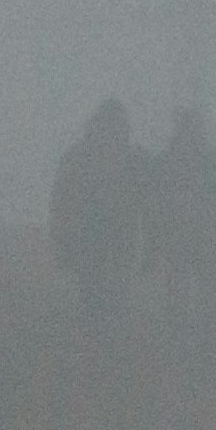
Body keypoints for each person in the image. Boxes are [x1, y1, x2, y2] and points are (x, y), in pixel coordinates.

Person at [49, 97, 142, 331]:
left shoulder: (131, 159)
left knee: (114, 289)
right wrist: (62, 238)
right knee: (94, 289)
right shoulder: (78, 158)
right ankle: (99, 336)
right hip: (88, 232)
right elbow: (62, 200)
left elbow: (144, 198)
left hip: (118, 234)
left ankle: (107, 336)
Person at [142, 104, 216, 329]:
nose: (193, 135)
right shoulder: (168, 163)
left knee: (208, 298)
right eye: (190, 129)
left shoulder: (212, 161)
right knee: (181, 298)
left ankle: (207, 342)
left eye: (195, 129)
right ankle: (185, 343)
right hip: (182, 241)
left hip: (204, 240)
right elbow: (155, 203)